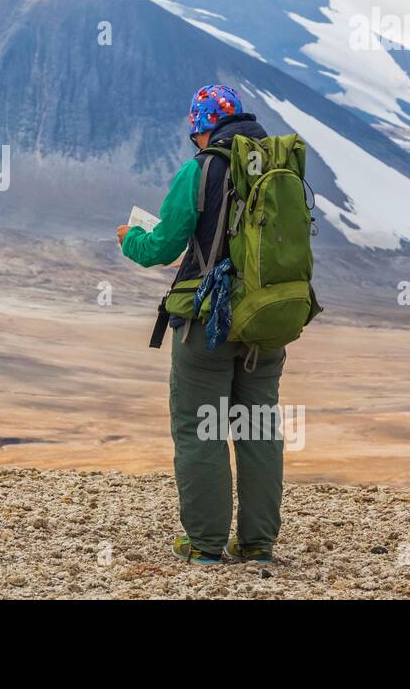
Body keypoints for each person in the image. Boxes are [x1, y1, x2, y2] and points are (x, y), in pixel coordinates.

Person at [116, 84, 284, 565]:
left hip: (208, 325)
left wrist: (130, 238)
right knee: (258, 429)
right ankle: (257, 545)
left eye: (196, 135)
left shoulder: (202, 169)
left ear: (204, 129)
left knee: (202, 430)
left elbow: (161, 248)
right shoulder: (274, 167)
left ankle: (206, 546)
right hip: (268, 323)